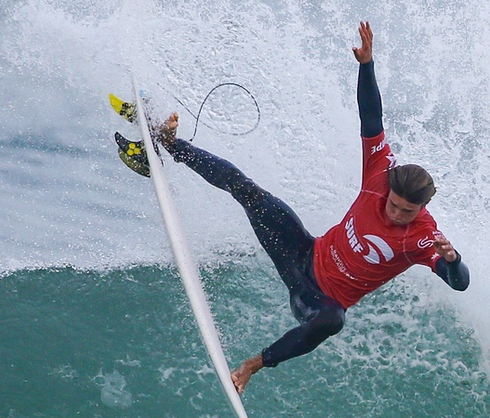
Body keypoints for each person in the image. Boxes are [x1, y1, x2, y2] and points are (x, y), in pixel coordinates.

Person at [115, 21, 469, 394]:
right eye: (395, 206)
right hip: (301, 251)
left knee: (332, 322)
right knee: (247, 189)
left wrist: (452, 260)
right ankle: (166, 145)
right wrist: (367, 65)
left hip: (316, 297)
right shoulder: (381, 173)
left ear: (423, 207)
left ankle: (252, 365)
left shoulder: (423, 236)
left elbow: (459, 283)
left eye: (407, 212)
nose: (397, 215)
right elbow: (371, 118)